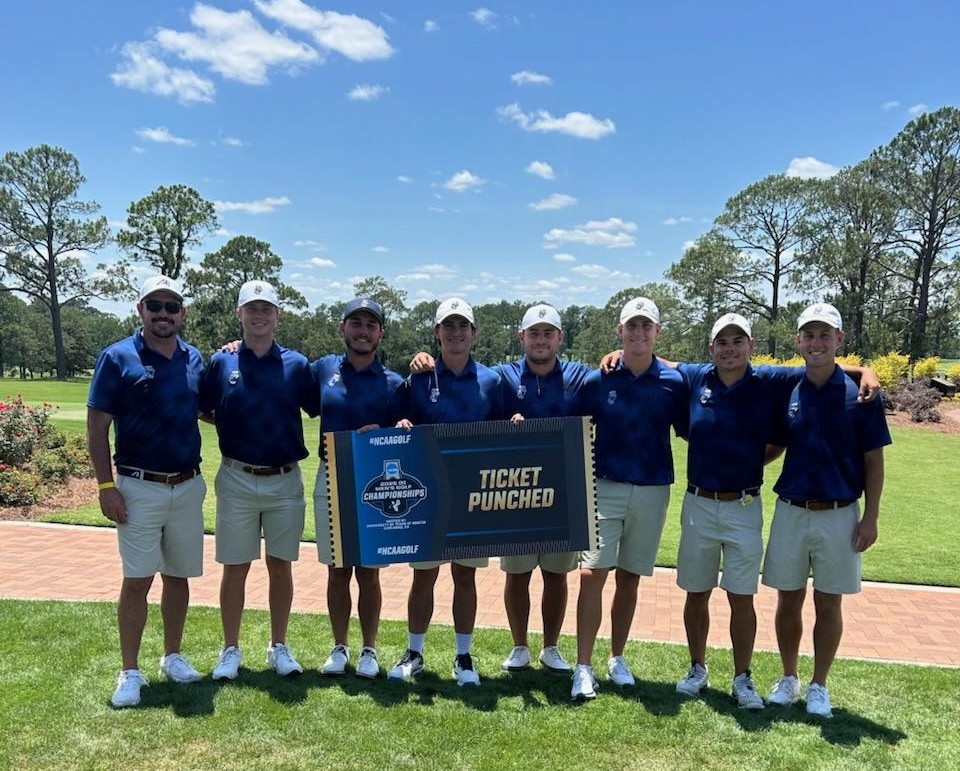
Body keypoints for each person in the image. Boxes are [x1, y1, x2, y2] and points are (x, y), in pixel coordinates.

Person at [598, 314, 880, 708]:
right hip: (698, 503)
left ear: (750, 345)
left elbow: (819, 362)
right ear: (711, 348)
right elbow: (656, 360)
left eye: (738, 341)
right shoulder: (697, 377)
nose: (730, 349)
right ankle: (697, 668)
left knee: (740, 595)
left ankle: (742, 677)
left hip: (744, 505)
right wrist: (617, 350)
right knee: (696, 592)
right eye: (722, 342)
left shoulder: (768, 380)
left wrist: (864, 368)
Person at [410, 303, 588, 675]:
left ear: (560, 338)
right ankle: (519, 645)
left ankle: (551, 647)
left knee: (556, 574)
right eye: (533, 333)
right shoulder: (503, 376)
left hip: (561, 487)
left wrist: (618, 353)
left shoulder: (577, 375)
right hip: (511, 489)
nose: (540, 339)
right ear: (521, 337)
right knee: (516, 572)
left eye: (547, 333)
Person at [762, 302, 891, 718]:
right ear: (798, 340)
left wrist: (870, 517)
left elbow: (874, 461)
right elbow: (776, 443)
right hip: (792, 508)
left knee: (829, 602)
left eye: (824, 334)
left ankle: (819, 684)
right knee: (788, 598)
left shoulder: (863, 396)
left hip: (840, 511)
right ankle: (789, 677)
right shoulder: (789, 387)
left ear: (838, 339)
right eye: (809, 334)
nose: (816, 342)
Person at [87, 275, 206, 708]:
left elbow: (209, 408)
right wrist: (105, 486)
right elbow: (97, 427)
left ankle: (172, 656)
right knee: (137, 580)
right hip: (137, 486)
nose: (163, 313)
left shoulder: (195, 359)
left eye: (171, 306)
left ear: (182, 313)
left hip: (188, 484)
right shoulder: (117, 357)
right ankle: (130, 671)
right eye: (154, 305)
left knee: (178, 577)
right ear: (140, 309)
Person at [571, 297, 688, 700]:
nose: (639, 333)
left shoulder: (675, 382)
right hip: (605, 486)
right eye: (631, 327)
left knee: (630, 578)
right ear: (619, 331)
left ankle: (616, 657)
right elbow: (574, 428)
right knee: (592, 574)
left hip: (654, 488)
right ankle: (582, 666)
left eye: (646, 326)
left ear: (657, 331)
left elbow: (695, 426)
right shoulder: (597, 379)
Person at [200, 280, 315, 681]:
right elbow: (204, 407)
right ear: (239, 315)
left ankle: (278, 645)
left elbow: (324, 405)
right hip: (237, 477)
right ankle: (230, 649)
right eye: (252, 309)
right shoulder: (222, 362)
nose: (259, 315)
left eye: (266, 309)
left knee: (280, 566)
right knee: (235, 566)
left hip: (284, 479)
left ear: (277, 316)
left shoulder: (298, 365)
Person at [388, 298, 504, 686]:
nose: (456, 333)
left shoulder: (490, 380)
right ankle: (415, 652)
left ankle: (463, 657)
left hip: (473, 493)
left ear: (473, 332)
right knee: (424, 576)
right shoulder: (420, 378)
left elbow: (503, 429)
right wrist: (401, 422)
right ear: (437, 332)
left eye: (462, 326)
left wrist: (516, 424)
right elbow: (398, 420)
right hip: (426, 491)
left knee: (465, 577)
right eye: (448, 326)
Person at [312, 298, 407, 679]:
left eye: (371, 324)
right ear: (342, 328)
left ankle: (369, 648)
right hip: (331, 474)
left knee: (369, 572)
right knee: (338, 569)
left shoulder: (395, 382)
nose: (363, 331)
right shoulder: (321, 371)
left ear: (380, 333)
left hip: (377, 481)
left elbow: (407, 427)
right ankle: (339, 647)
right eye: (356, 323)